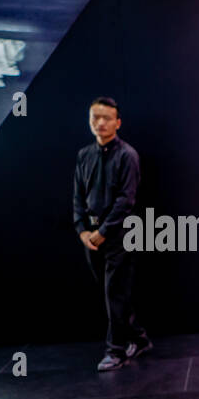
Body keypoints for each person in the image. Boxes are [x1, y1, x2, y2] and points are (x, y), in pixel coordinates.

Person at [73, 96, 150, 371]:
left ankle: (115, 351)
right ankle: (139, 338)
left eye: (106, 118)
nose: (100, 123)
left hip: (120, 236)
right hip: (91, 238)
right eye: (95, 117)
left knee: (114, 293)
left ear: (117, 122)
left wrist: (103, 232)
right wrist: (83, 230)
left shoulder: (127, 155)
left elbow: (125, 201)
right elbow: (78, 198)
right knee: (110, 294)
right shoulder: (84, 155)